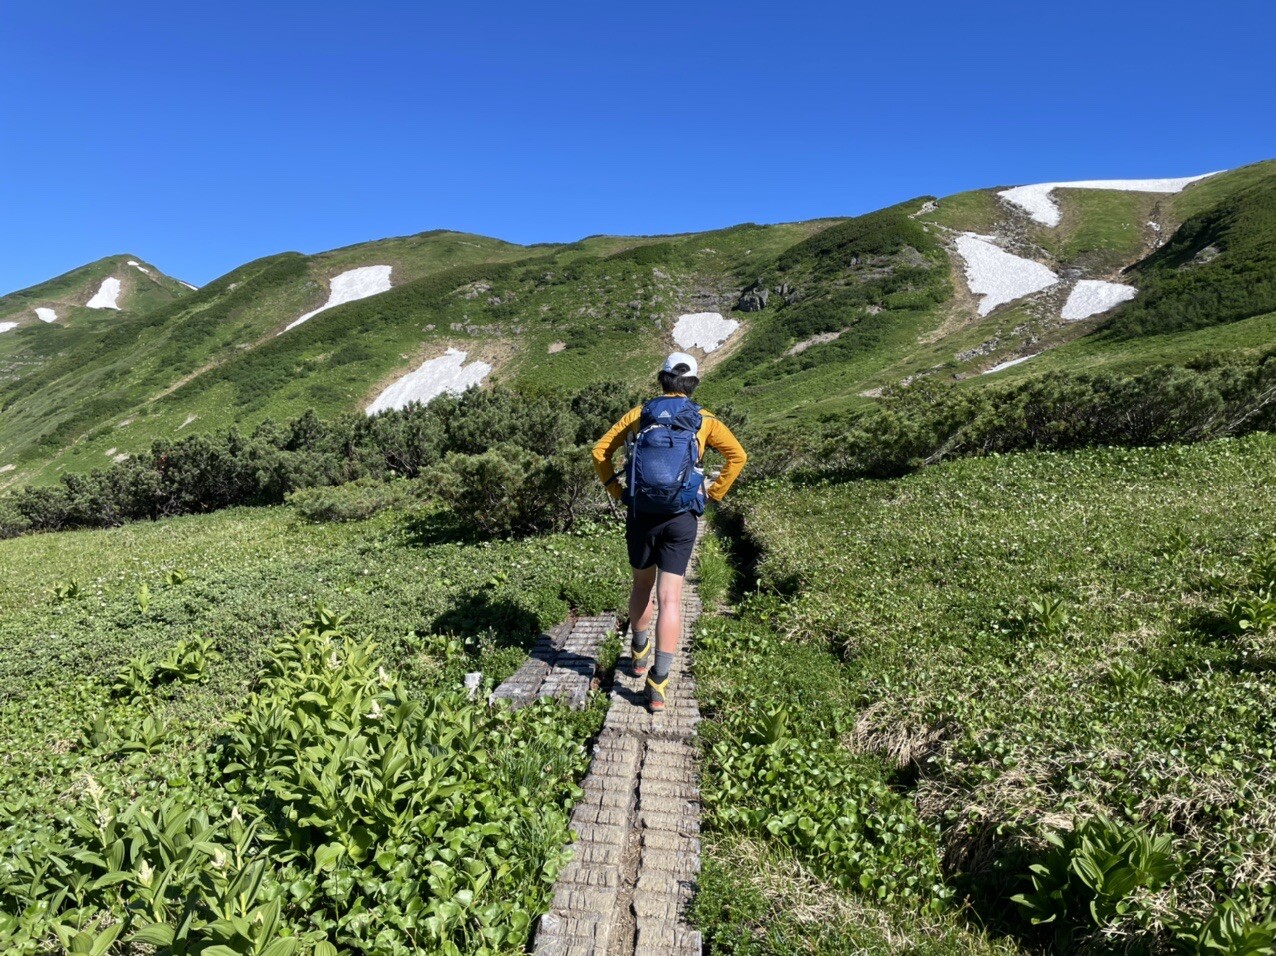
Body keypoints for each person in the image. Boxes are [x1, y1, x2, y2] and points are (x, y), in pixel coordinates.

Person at [592, 352, 747, 712]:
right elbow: (737, 456)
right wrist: (713, 493)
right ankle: (658, 683)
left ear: (662, 379)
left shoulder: (639, 414)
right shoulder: (704, 419)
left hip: (641, 512)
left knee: (642, 586)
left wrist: (617, 491)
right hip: (681, 515)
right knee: (672, 598)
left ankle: (639, 652)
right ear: (692, 383)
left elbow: (600, 450)